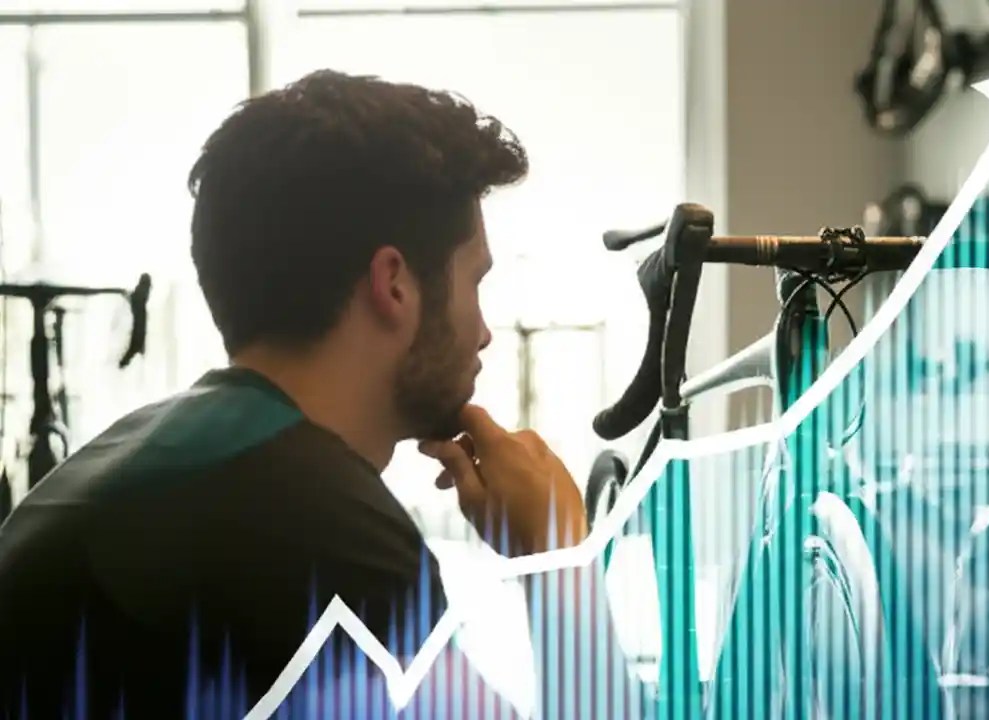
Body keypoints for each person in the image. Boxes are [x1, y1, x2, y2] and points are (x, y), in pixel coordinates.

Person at [0, 70, 640, 719]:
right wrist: (561, 558)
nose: (482, 333)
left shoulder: (139, 467)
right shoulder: (321, 523)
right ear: (393, 284)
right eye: (474, 283)